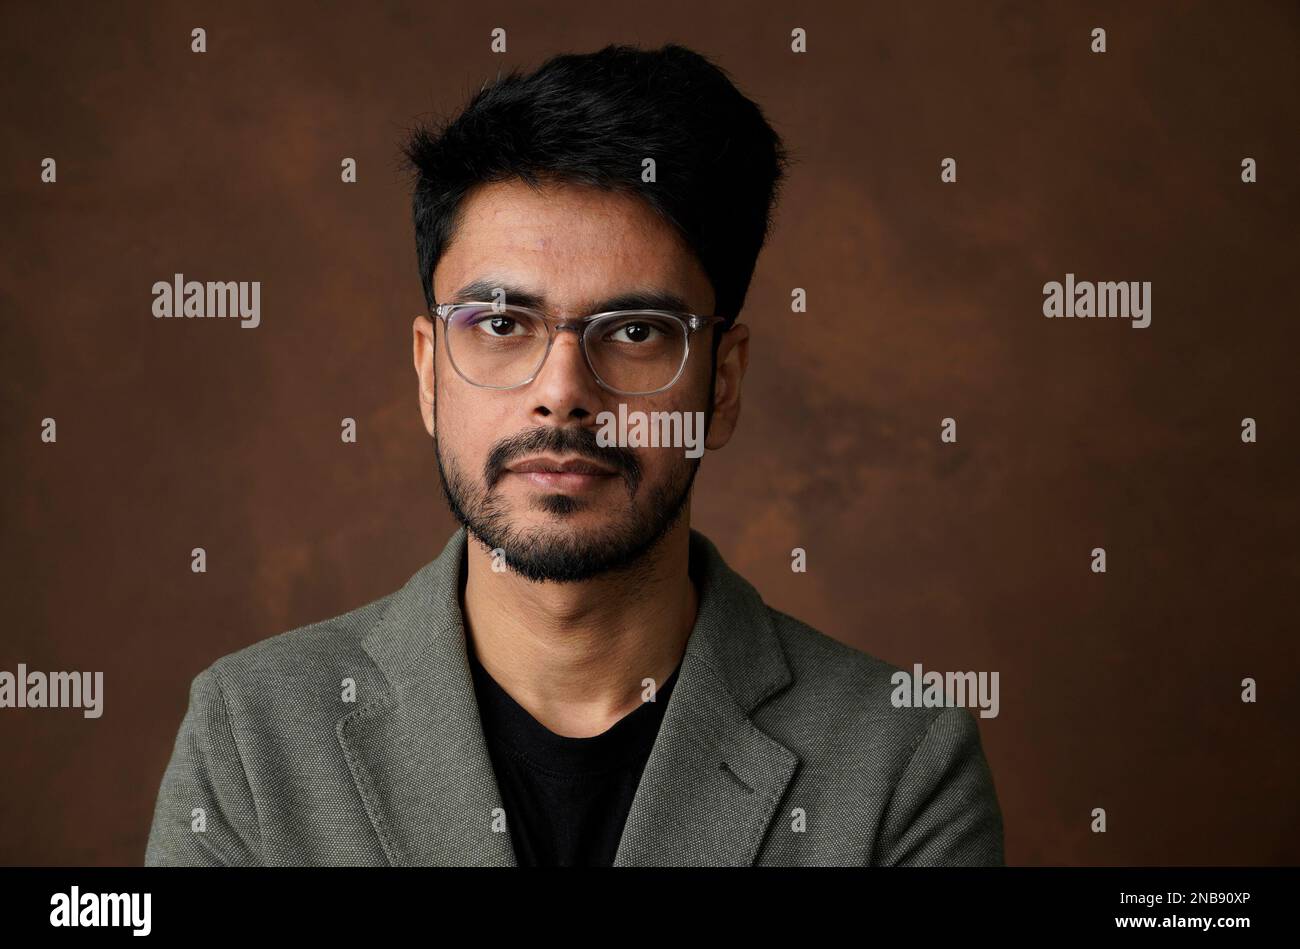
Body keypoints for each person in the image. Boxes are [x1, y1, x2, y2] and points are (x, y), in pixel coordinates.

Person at [145, 42, 1004, 866]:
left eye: (635, 331)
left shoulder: (898, 758)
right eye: (500, 324)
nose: (562, 392)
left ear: (725, 384)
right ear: (427, 373)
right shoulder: (253, 736)